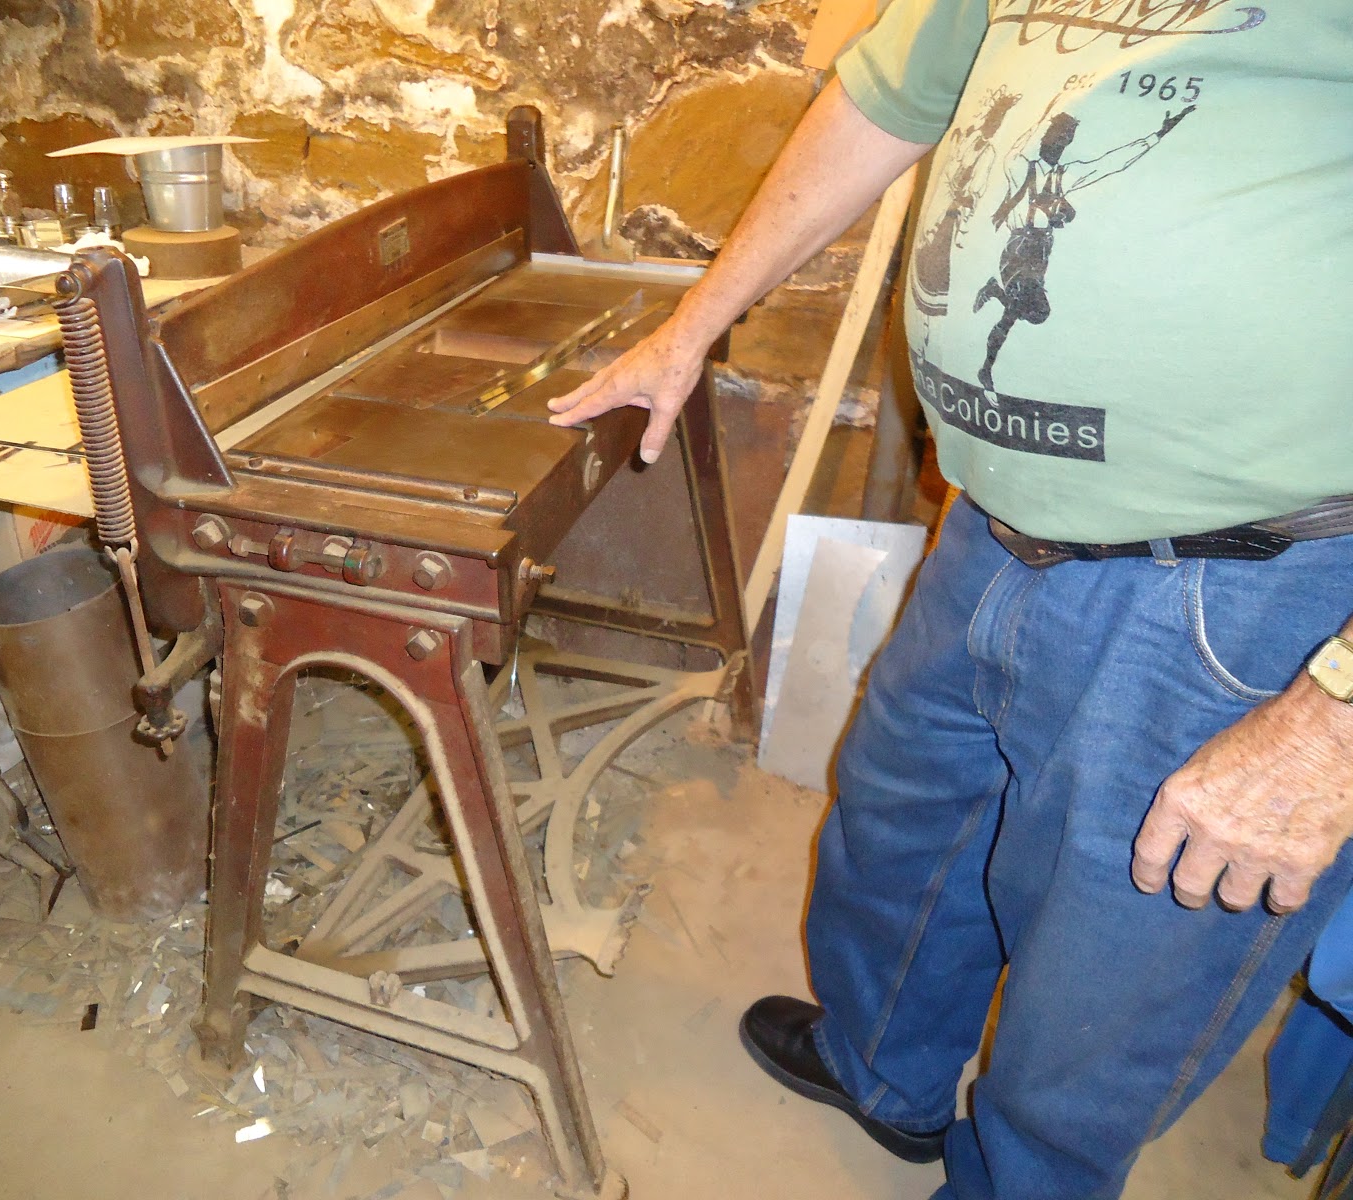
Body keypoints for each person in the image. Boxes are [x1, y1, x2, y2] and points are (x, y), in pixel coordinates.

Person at [547, 2, 1353, 1197]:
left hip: (1243, 586)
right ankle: (885, 1071)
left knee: (1107, 989)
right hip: (992, 521)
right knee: (898, 823)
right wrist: (692, 323)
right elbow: (885, 103)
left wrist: (1334, 718)